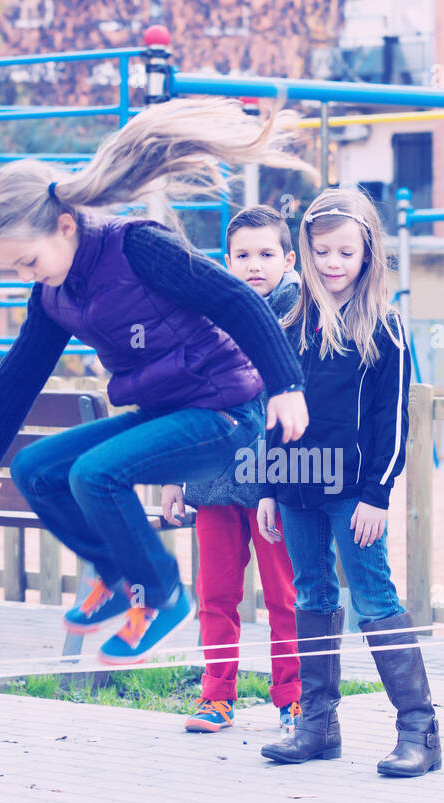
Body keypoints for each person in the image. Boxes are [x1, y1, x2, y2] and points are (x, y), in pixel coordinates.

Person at [0, 99, 311, 665]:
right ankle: (123, 579)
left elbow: (236, 298)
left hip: (226, 415)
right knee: (36, 471)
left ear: (65, 227)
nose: (26, 275)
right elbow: (19, 374)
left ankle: (163, 593)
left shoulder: (139, 247)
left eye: (28, 261)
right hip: (167, 417)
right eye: (15, 268)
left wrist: (287, 385)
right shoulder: (56, 293)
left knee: (95, 475)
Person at [257, 188, 441, 778]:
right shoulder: (287, 323)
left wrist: (376, 495)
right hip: (295, 488)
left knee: (374, 598)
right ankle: (317, 724)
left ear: (367, 255)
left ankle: (419, 729)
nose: (333, 263)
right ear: (306, 254)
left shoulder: (385, 328)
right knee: (310, 595)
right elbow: (273, 408)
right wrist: (267, 485)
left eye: (346, 252)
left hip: (353, 494)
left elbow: (393, 421)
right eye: (322, 252)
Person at [159, 205, 304, 735]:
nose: (254, 265)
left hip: (276, 485)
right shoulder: (206, 319)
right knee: (216, 594)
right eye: (242, 255)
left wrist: (278, 482)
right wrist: (174, 474)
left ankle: (294, 697)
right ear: (227, 260)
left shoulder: (299, 317)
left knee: (284, 596)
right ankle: (216, 696)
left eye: (267, 254)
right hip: (215, 481)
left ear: (288, 259)